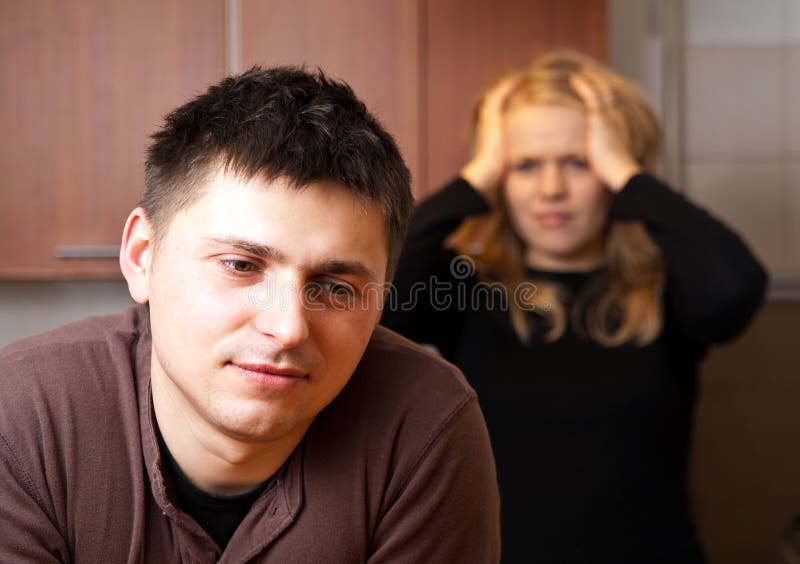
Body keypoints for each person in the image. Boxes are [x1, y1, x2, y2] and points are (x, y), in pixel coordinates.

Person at [0, 66, 501, 563]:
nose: (286, 328)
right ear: (142, 255)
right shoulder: (22, 415)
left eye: (335, 288)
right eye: (240, 265)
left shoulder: (427, 425)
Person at [381, 51, 768, 563]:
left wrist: (626, 170)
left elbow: (735, 290)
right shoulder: (468, 287)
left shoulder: (668, 287)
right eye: (525, 165)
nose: (551, 190)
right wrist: (478, 172)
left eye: (579, 162)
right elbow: (374, 289)